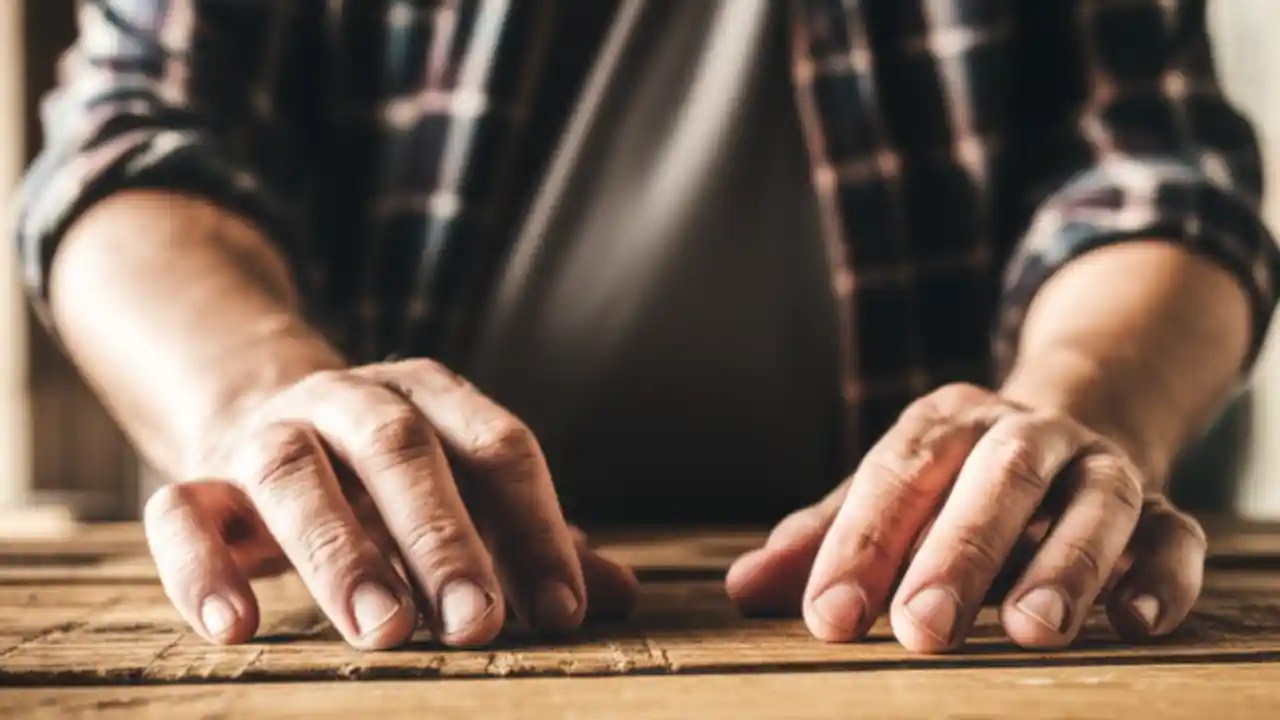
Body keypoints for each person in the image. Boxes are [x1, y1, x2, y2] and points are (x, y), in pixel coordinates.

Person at [17, 0, 1278, 655]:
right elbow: (128, 145)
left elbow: (1153, 176)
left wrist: (1070, 407)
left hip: (931, 617)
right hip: (400, 602)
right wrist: (264, 395)